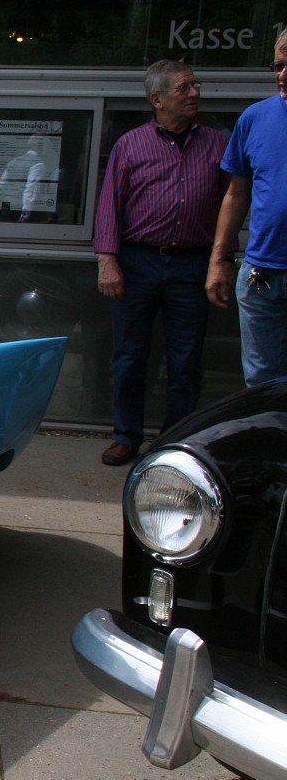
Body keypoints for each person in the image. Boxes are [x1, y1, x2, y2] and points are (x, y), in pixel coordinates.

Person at [92, 59, 230, 466]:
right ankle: (126, 436)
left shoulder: (217, 144)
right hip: (138, 262)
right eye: (184, 88)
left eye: (195, 85)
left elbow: (232, 203)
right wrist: (108, 260)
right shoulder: (130, 145)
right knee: (130, 356)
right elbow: (108, 207)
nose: (195, 93)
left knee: (186, 359)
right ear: (158, 99)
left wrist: (222, 258)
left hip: (192, 264)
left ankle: (175, 441)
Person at [206, 30, 287, 387]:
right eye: (279, 65)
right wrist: (218, 262)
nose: (282, 75)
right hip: (262, 273)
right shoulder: (254, 118)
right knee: (262, 385)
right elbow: (237, 195)